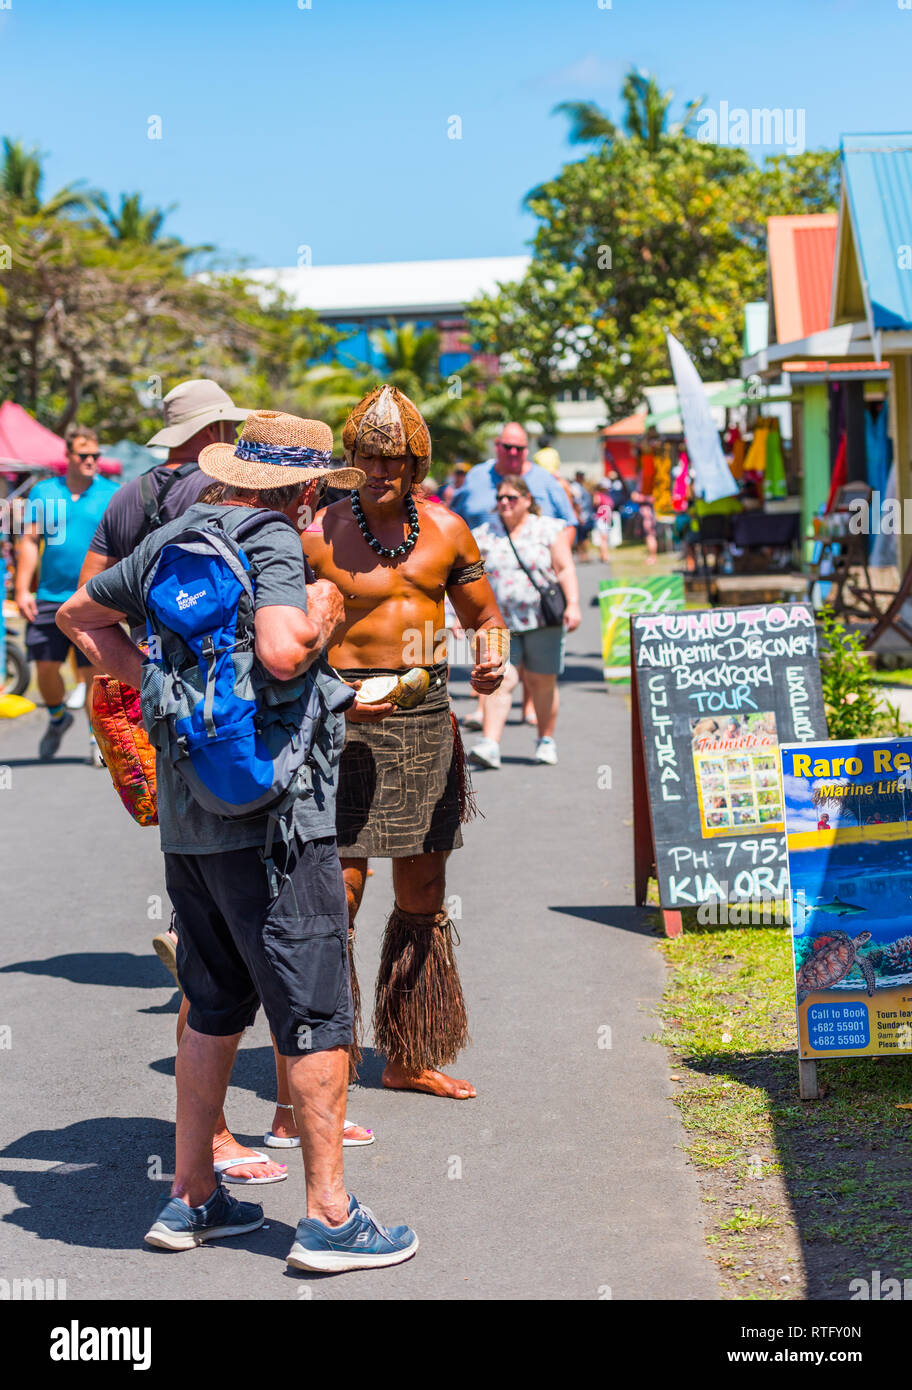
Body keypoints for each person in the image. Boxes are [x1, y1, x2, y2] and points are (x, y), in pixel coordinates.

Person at [58, 409, 417, 1272]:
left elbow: (78, 617)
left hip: (190, 824)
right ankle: (329, 1217)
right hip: (278, 825)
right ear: (301, 488)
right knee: (315, 1004)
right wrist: (324, 611)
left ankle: (190, 1199)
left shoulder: (173, 535)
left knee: (213, 1003)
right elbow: (286, 653)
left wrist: (155, 686)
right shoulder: (272, 542)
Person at [298, 385, 508, 1103]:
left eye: (394, 460)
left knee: (423, 889)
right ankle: (327, 1057)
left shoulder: (448, 530)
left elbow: (488, 617)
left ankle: (408, 1053)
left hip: (424, 716)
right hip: (340, 720)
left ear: (417, 464)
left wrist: (492, 657)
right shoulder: (315, 532)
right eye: (367, 458)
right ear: (348, 462)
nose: (381, 471)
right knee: (340, 894)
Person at [80, 378, 249, 587]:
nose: (234, 434)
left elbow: (85, 589)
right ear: (212, 428)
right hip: (214, 620)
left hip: (139, 619)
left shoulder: (124, 495)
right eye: (232, 425)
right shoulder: (226, 488)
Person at [15, 423, 117, 764]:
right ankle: (58, 718)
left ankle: (94, 739)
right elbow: (29, 541)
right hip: (47, 595)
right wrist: (22, 589)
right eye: (83, 455)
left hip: (92, 596)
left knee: (92, 672)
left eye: (95, 455)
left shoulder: (111, 493)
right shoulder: (44, 492)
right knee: (45, 666)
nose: (91, 460)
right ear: (68, 456)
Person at [468, 476, 580, 769]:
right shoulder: (484, 534)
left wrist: (574, 604)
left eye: (512, 498)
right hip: (501, 624)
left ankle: (546, 740)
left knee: (542, 683)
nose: (505, 503)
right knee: (500, 679)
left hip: (543, 619)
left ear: (527, 500)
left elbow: (565, 568)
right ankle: (490, 744)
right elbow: (467, 577)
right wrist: (459, 616)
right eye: (501, 498)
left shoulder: (548, 529)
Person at [449, 422, 577, 531]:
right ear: (497, 445)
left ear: (527, 450)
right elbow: (453, 521)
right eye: (508, 446)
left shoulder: (546, 480)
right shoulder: (475, 477)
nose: (513, 452)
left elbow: (569, 524)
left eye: (519, 448)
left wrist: (560, 553)